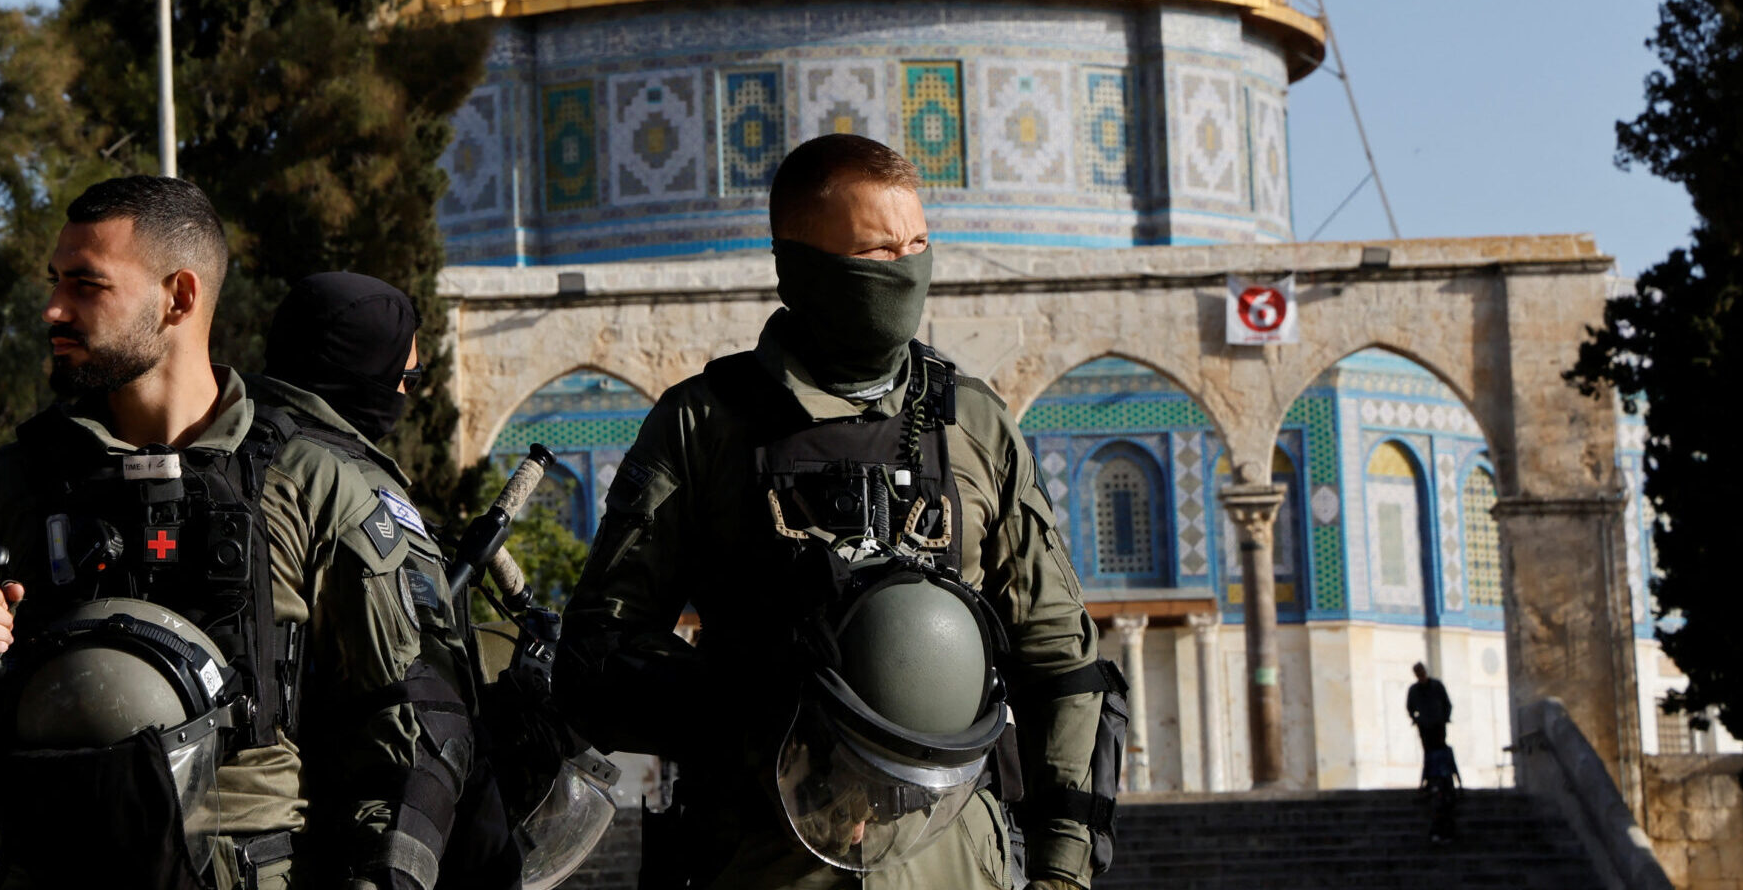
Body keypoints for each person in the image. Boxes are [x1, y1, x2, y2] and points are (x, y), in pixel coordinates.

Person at [555, 134, 1112, 890]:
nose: (906, 268)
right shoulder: (707, 425)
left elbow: (1062, 663)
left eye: (917, 244)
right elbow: (600, 649)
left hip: (951, 865)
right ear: (802, 267)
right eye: (879, 253)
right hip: (762, 858)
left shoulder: (973, 426)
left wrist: (1062, 872)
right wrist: (779, 716)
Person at [0, 178, 392, 890]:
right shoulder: (13, 489)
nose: (54, 308)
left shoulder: (310, 483)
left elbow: (413, 737)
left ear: (179, 297)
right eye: (56, 281)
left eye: (87, 284)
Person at [247, 272, 521, 890]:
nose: (409, 395)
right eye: (408, 378)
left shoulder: (221, 453)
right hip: (316, 843)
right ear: (363, 373)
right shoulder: (349, 486)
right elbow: (419, 713)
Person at [1407, 663, 1453, 794]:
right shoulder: (1414, 690)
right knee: (1428, 753)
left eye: (1421, 672)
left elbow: (1447, 703)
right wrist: (1416, 719)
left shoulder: (1437, 686)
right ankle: (1431, 780)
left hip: (1438, 725)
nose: (1421, 675)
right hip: (1425, 727)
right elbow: (1410, 707)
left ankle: (1444, 779)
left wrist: (1444, 718)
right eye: (1418, 673)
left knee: (1440, 752)